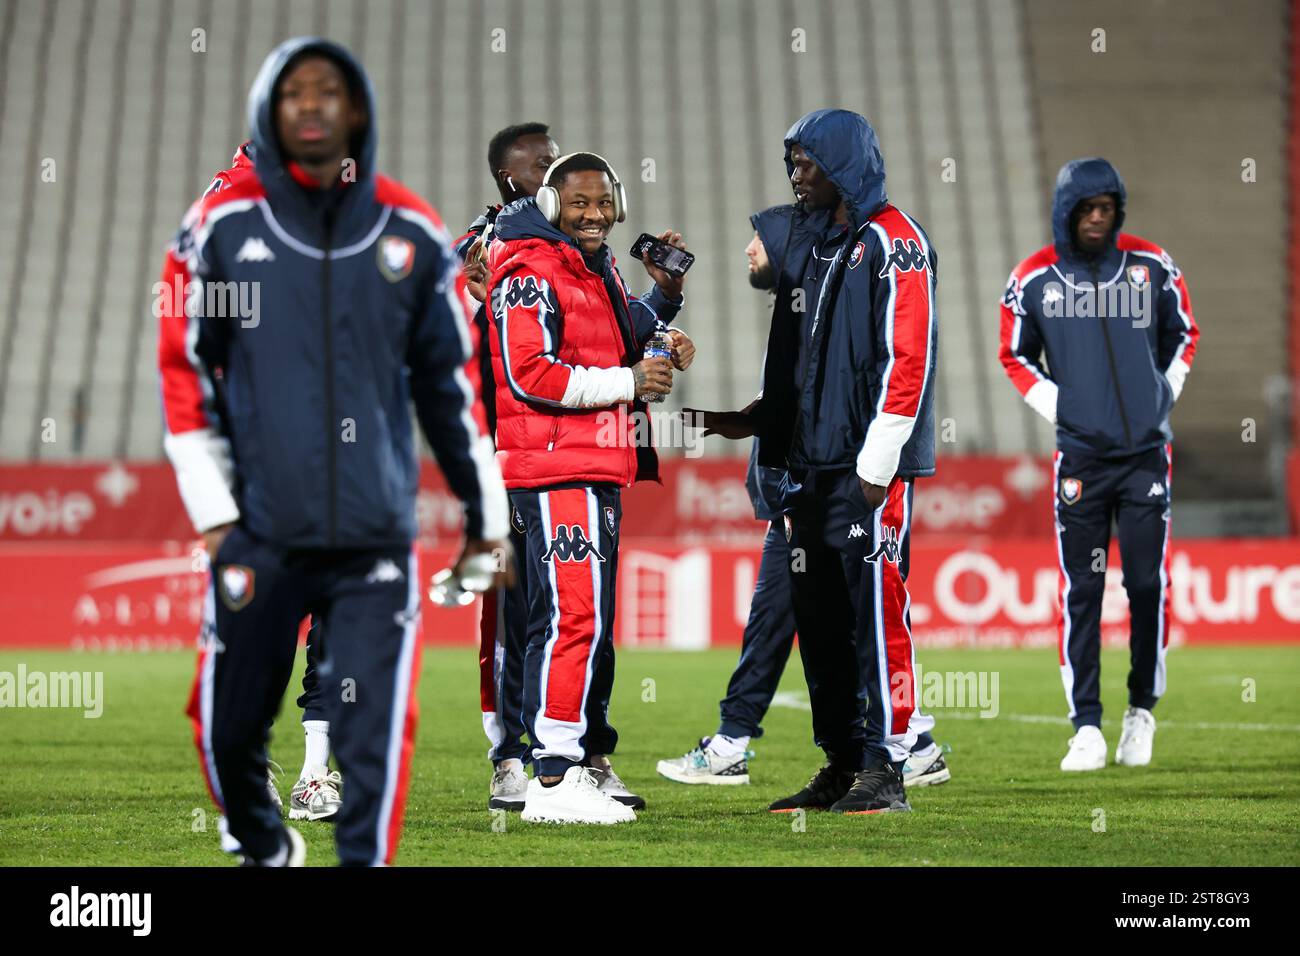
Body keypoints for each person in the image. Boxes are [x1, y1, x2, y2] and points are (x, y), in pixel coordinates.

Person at [158, 37, 510, 865]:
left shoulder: (410, 230)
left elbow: (449, 392)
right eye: (294, 94)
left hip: (372, 532)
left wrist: (484, 517)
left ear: (359, 112)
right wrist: (215, 512)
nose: (313, 106)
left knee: (377, 733)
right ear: (267, 114)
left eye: (330, 93)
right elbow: (185, 373)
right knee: (225, 725)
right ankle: (264, 843)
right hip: (259, 527)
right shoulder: (217, 227)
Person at [690, 109, 938, 815]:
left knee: (876, 618)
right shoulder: (824, 246)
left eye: (806, 163)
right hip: (809, 468)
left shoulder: (896, 243)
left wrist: (877, 465)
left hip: (865, 471)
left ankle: (888, 767)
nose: (795, 175)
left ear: (843, 164)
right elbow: (797, 370)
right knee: (822, 623)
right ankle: (840, 762)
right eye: (791, 163)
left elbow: (907, 359)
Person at [485, 152, 693, 824]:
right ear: (551, 206)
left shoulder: (589, 269)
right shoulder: (529, 270)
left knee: (586, 623)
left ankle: (570, 765)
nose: (595, 214)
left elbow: (617, 339)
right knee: (569, 621)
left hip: (592, 464)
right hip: (556, 469)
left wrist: (662, 314)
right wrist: (631, 383)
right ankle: (551, 777)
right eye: (579, 203)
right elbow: (530, 376)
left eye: (603, 202)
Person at [998, 157, 1198, 772]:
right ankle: (1085, 726)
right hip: (1081, 459)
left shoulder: (1151, 266)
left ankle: (1141, 713)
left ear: (1118, 211)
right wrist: (1062, 404)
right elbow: (1014, 354)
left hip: (1145, 457)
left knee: (1146, 585)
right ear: (1067, 212)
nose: (1096, 218)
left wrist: (1163, 393)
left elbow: (1183, 334)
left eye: (1106, 208)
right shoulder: (1033, 279)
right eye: (1086, 209)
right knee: (1081, 590)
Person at [452, 122, 560, 811]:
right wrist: (468, 290)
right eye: (542, 165)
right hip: (498, 453)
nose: (555, 173)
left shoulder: (572, 249)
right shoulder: (478, 246)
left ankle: (568, 750)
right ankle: (507, 753)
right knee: (505, 607)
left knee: (565, 604)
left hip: (563, 451)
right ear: (508, 179)